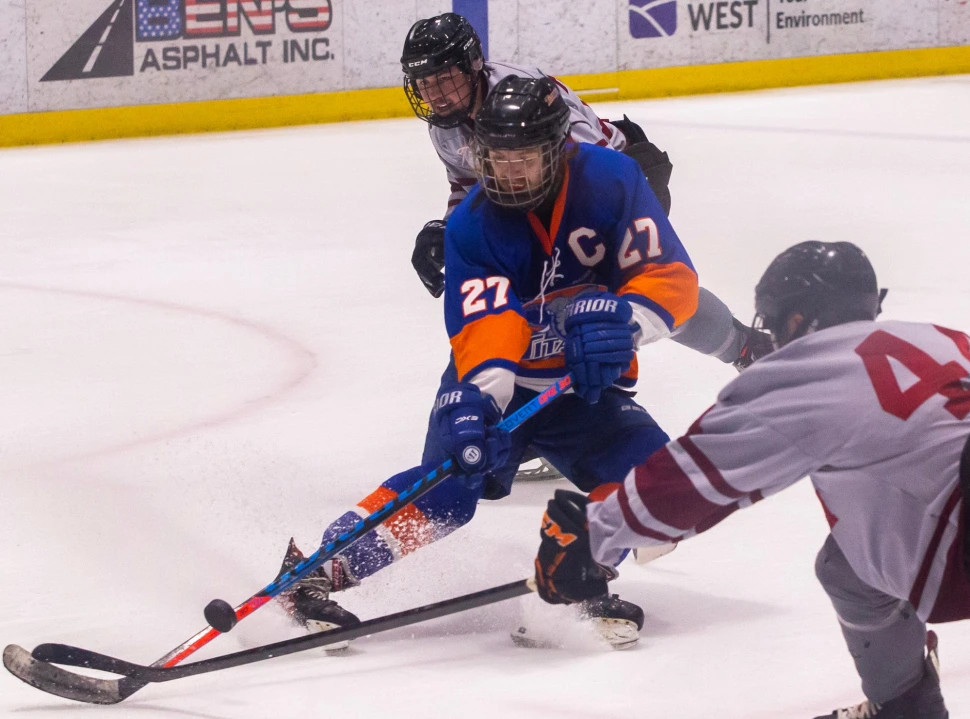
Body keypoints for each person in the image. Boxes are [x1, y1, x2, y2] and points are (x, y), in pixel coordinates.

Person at [274, 74, 700, 649]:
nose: (508, 174)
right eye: (496, 160)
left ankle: (574, 578)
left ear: (559, 148)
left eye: (523, 158)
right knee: (448, 493)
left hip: (585, 388)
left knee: (660, 483)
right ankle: (315, 573)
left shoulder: (613, 178)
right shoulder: (473, 222)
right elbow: (486, 325)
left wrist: (625, 324)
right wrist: (478, 398)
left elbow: (670, 276)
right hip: (505, 387)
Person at [534, 240, 970, 717]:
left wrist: (595, 534)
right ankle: (909, 706)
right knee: (848, 570)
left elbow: (695, 480)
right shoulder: (939, 339)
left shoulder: (808, 370)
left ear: (798, 321)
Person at [400, 12, 769, 372]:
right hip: (555, 189)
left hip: (624, 173)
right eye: (425, 84)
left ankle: (746, 347)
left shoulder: (521, 96)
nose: (437, 95)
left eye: (444, 79)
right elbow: (467, 185)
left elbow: (590, 168)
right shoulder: (443, 127)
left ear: (472, 65)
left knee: (633, 282)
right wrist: (450, 229)